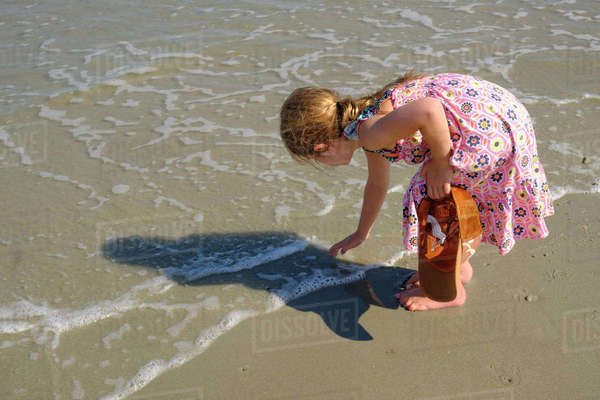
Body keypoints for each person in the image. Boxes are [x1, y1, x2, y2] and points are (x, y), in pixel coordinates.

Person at [279, 71, 554, 311]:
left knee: (430, 198)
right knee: (458, 198)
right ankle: (458, 265)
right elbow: (377, 184)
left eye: (318, 161)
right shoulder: (367, 126)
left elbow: (429, 110)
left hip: (487, 134)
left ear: (322, 148)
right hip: (500, 112)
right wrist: (361, 233)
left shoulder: (370, 132)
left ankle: (449, 291)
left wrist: (441, 162)